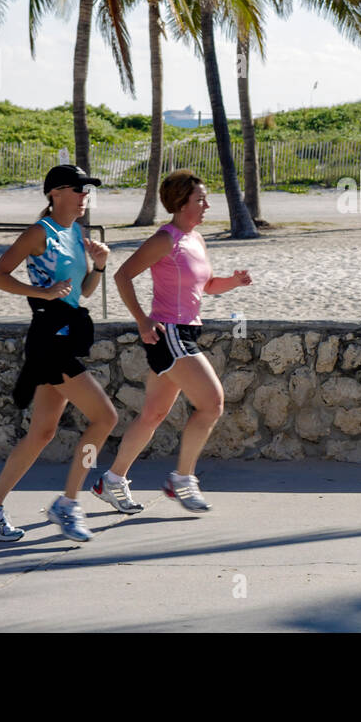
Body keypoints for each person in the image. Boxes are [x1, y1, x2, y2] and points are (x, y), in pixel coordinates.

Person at [0, 164, 118, 542]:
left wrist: (99, 265)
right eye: (79, 189)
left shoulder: (75, 232)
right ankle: (68, 503)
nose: (85, 195)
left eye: (87, 190)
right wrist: (42, 293)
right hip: (50, 337)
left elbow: (82, 292)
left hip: (66, 336)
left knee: (43, 432)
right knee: (105, 417)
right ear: (56, 193)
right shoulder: (40, 232)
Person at [93, 169, 251, 516]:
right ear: (181, 204)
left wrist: (233, 283)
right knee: (212, 404)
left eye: (205, 198)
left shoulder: (196, 239)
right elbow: (123, 276)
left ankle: (112, 480)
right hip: (170, 333)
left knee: (153, 414)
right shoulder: (165, 239)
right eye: (200, 199)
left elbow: (207, 285)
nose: (207, 204)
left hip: (187, 331)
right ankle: (183, 479)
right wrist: (142, 319)